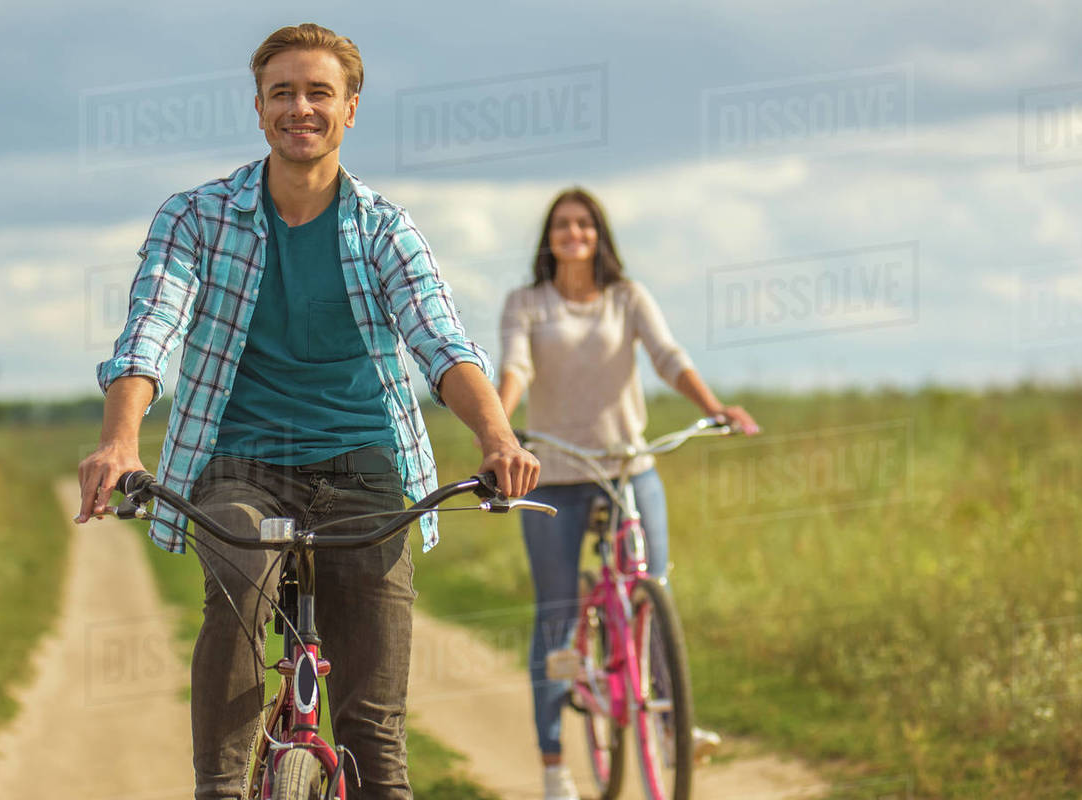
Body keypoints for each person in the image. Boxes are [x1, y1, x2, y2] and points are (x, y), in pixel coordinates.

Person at [75, 24, 539, 800]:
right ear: (258, 109)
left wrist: (497, 436)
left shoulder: (385, 228)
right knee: (235, 593)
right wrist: (120, 443)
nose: (301, 108)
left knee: (375, 736)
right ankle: (219, 789)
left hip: (361, 467)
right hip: (241, 465)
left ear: (350, 108)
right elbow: (151, 328)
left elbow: (440, 340)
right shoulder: (196, 219)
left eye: (319, 92)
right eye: (283, 92)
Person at [497, 188, 759, 800]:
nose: (573, 233)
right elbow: (516, 366)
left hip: (627, 467)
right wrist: (499, 428)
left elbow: (668, 357)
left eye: (584, 223)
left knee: (651, 589)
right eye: (562, 224)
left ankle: (669, 729)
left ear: (600, 234)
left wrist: (714, 407)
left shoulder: (628, 297)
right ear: (549, 237)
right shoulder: (527, 302)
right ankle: (555, 763)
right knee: (558, 614)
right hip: (555, 474)